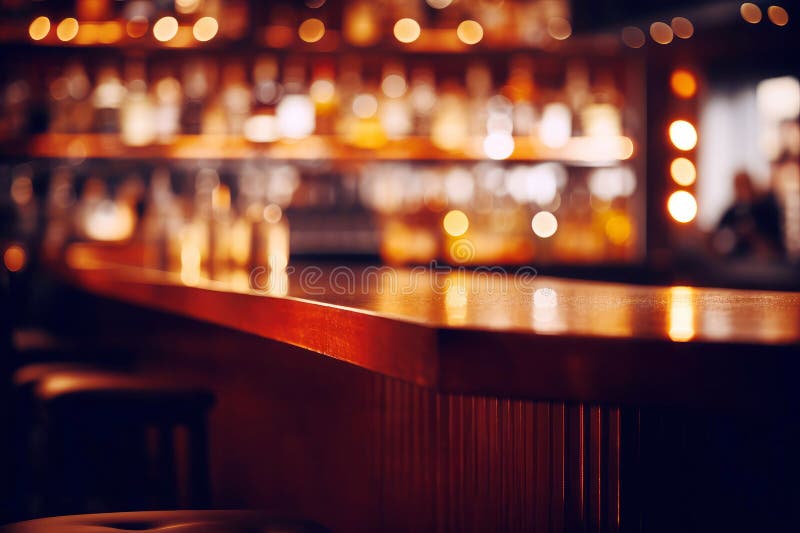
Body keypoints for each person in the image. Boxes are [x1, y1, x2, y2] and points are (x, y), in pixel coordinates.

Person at [711, 171, 785, 260]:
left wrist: (754, 235)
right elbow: (719, 234)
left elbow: (775, 239)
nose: (741, 189)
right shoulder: (732, 211)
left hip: (764, 261)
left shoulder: (765, 209)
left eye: (743, 184)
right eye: (738, 185)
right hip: (736, 261)